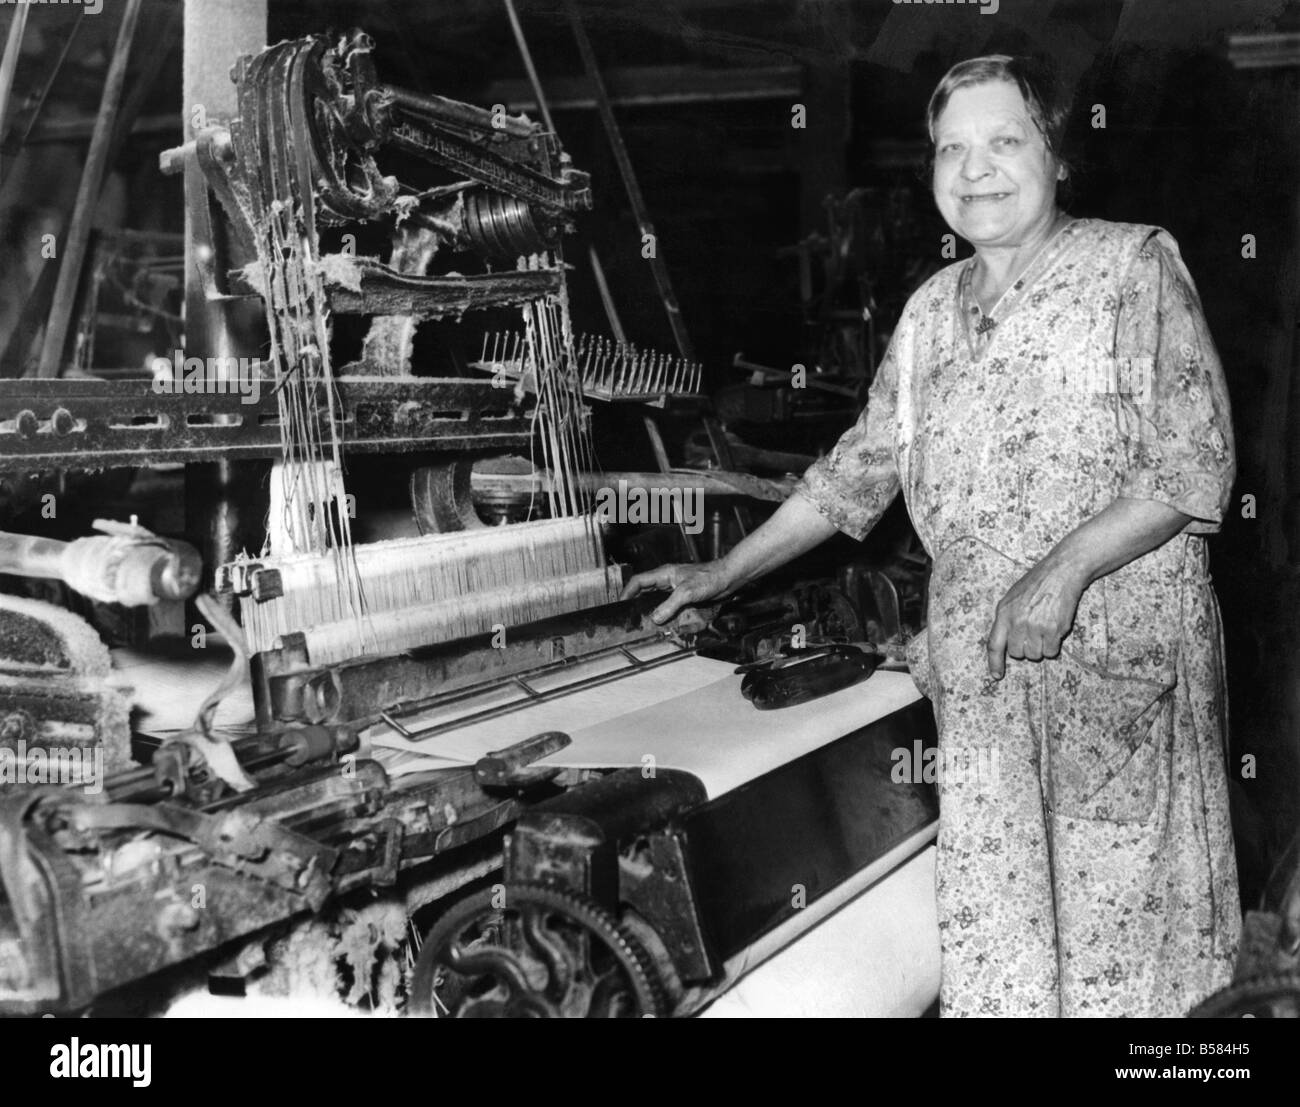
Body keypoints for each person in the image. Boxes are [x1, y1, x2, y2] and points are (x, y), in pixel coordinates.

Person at [622, 54, 1240, 1017]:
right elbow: (852, 476)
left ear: (1058, 157)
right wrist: (720, 574)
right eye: (953, 148)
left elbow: (1193, 461)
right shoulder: (924, 319)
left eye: (1005, 140)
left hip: (1113, 671)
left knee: (1127, 952)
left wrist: (1064, 570)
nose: (976, 168)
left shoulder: (1132, 268)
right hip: (985, 681)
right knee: (1002, 950)